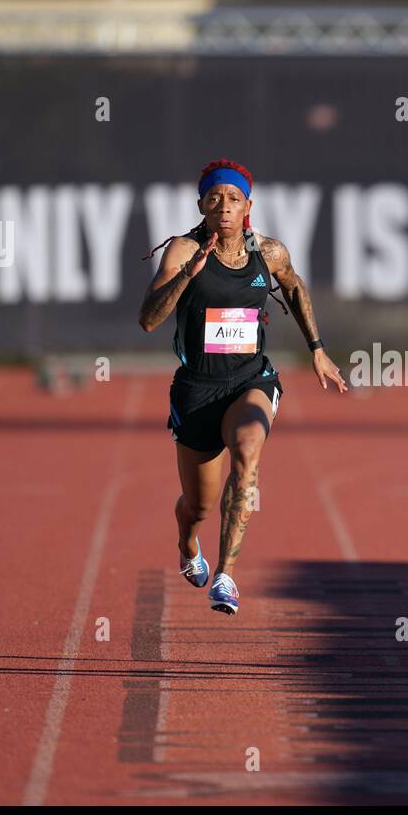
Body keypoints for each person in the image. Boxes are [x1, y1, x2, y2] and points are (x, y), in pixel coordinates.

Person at [139, 159, 346, 615]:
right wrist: (186, 275)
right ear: (201, 206)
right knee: (198, 505)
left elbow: (293, 286)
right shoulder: (181, 251)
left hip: (250, 379)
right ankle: (187, 542)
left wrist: (316, 347)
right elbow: (149, 320)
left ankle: (227, 576)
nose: (224, 207)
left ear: (248, 205)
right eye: (214, 199)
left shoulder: (267, 251)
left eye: (233, 199)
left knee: (248, 452)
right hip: (196, 391)